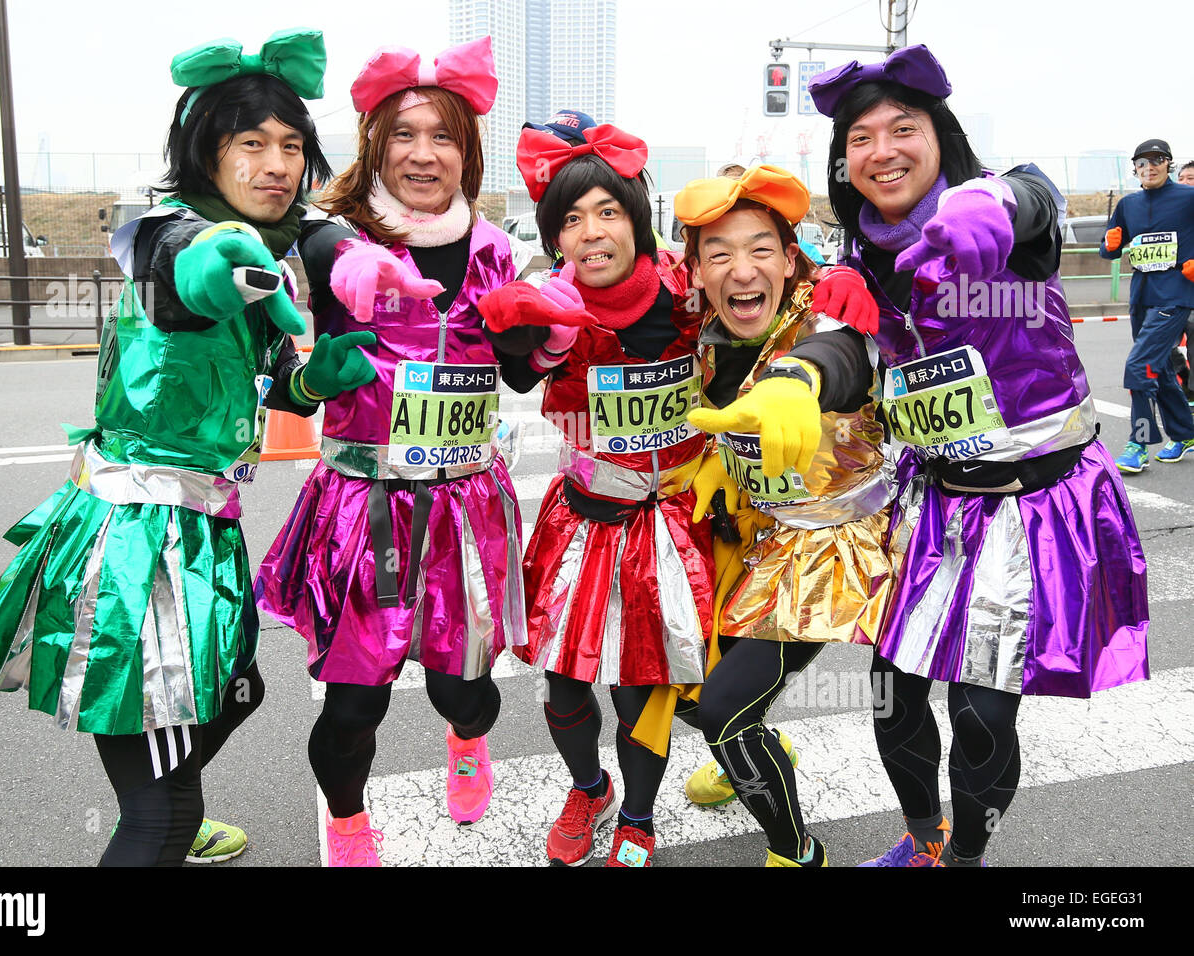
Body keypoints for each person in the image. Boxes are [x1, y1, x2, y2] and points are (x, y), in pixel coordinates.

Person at [0, 29, 375, 866]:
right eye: (249, 144)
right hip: (140, 543)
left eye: (290, 146)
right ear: (204, 155)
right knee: (165, 817)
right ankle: (156, 815)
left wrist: (313, 380)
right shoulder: (167, 234)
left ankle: (153, 801)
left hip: (199, 528)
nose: (275, 163)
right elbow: (186, 278)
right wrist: (219, 263)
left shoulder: (268, 261)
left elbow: (273, 380)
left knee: (237, 688)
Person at [809, 44, 1150, 866]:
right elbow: (854, 356)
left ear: (941, 135)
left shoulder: (999, 212)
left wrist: (995, 204)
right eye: (860, 137)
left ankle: (970, 858)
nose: (882, 149)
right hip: (930, 505)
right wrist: (809, 372)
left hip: (1031, 508)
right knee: (892, 701)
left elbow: (1033, 199)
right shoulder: (862, 257)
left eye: (903, 127)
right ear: (844, 162)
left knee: (984, 716)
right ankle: (926, 840)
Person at [254, 36, 529, 866]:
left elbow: (516, 372)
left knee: (465, 690)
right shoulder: (329, 240)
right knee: (351, 707)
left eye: (443, 135)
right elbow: (317, 273)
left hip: (464, 502)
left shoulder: (495, 249)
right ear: (376, 145)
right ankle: (348, 821)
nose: (423, 152)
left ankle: (466, 741)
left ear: (466, 153)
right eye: (404, 133)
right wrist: (355, 265)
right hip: (361, 507)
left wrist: (544, 345)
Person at [477, 121, 713, 867]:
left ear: (638, 218)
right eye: (570, 219)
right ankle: (590, 787)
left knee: (644, 687)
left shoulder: (687, 289)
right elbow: (514, 366)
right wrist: (525, 329)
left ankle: (639, 817)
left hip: (674, 521)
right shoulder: (550, 303)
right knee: (565, 681)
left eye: (608, 211)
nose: (591, 232)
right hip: (582, 519)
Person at [674, 164, 893, 866]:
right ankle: (756, 743)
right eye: (719, 253)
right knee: (675, 678)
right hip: (752, 538)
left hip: (828, 548)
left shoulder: (829, 305)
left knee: (723, 712)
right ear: (697, 270)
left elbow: (846, 354)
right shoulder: (706, 331)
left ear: (792, 257)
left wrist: (803, 375)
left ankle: (795, 851)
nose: (742, 270)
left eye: (761, 248)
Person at [1102, 138, 1194, 470]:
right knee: (1160, 366)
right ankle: (1185, 433)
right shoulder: (1129, 205)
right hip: (1141, 295)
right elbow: (1108, 248)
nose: (1149, 167)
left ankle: (1138, 443)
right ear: (1135, 170)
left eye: (1156, 160)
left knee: (1139, 365)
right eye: (1141, 163)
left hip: (1176, 292)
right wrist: (1110, 244)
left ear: (1168, 164)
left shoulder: (1188, 197)